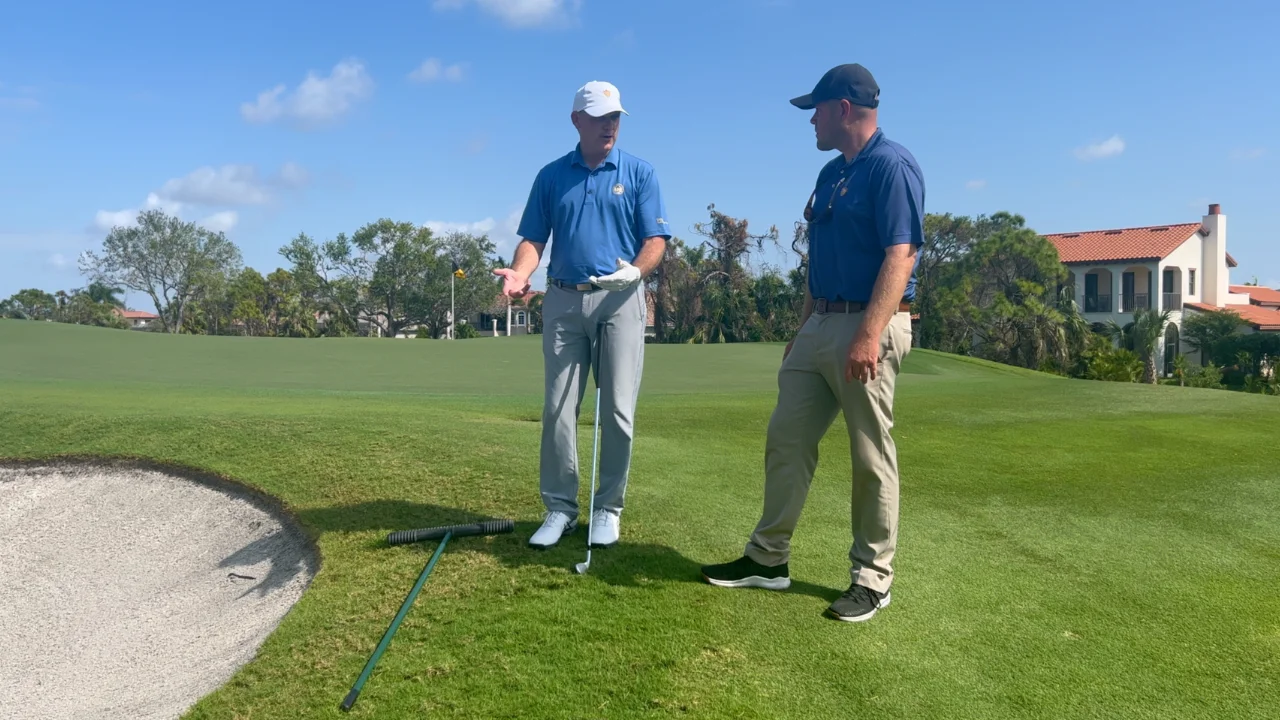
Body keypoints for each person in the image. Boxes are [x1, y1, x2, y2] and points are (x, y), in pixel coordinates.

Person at [700, 63, 924, 623]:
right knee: (787, 437)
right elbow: (815, 261)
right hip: (820, 323)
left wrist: (868, 334)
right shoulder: (830, 174)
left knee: (870, 452)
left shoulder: (891, 167)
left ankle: (872, 578)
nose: (812, 121)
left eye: (816, 110)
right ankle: (767, 558)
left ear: (843, 110)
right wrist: (804, 327)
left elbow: (902, 255)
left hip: (869, 324)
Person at [494, 80, 671, 550]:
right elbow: (533, 239)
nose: (610, 124)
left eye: (615, 116)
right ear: (577, 120)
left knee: (617, 410)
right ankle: (559, 508)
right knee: (558, 409)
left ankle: (608, 509)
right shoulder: (552, 176)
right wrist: (518, 272)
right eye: (599, 117)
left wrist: (635, 271)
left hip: (620, 299)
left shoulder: (639, 173)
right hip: (563, 300)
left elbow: (656, 242)